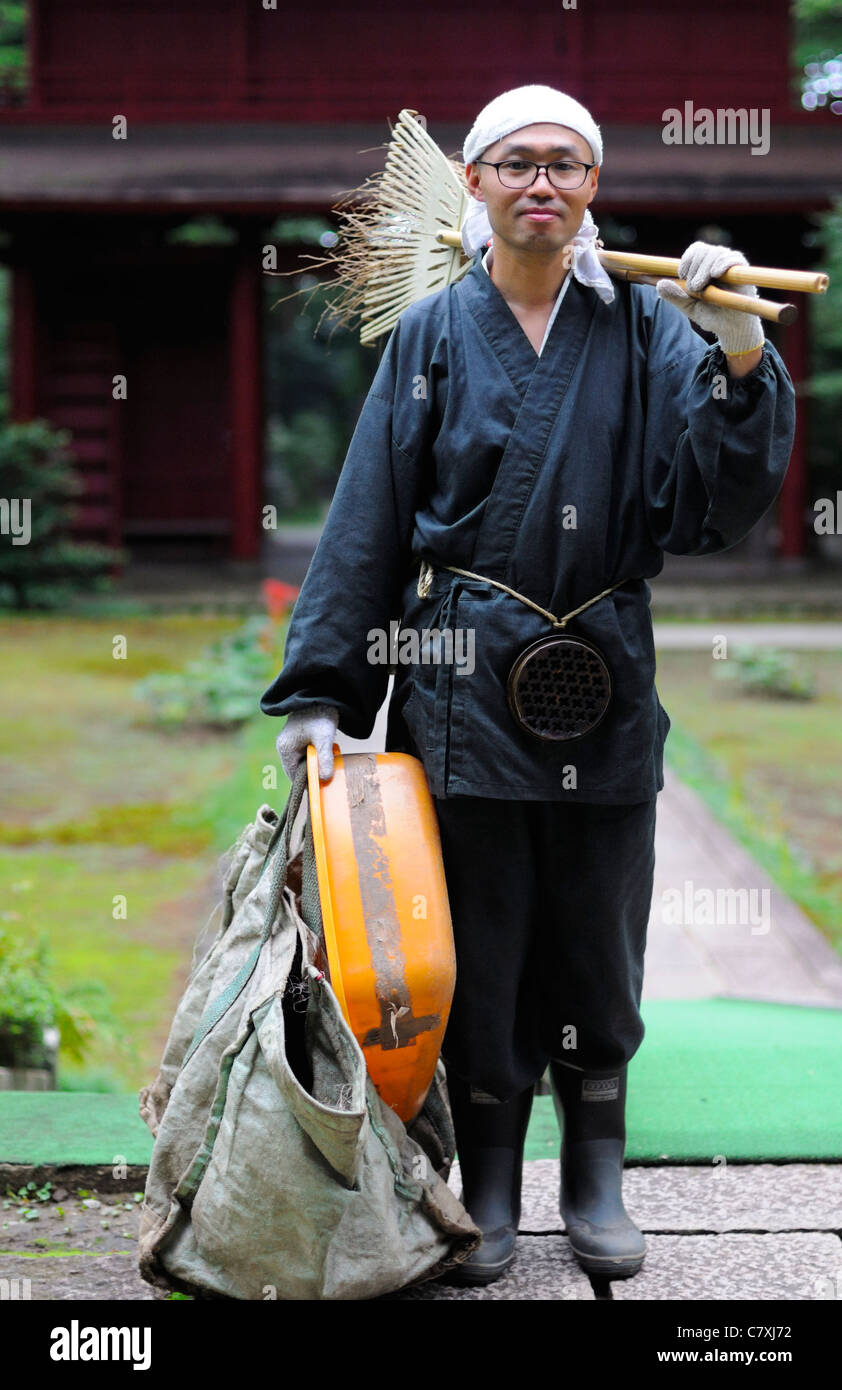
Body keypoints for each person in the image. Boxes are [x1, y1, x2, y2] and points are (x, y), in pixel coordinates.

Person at [260, 85, 796, 1287]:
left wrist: (741, 345)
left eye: (564, 163)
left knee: (597, 933)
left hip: (599, 670)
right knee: (479, 935)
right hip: (459, 678)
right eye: (516, 163)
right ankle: (488, 1182)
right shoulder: (431, 335)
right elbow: (367, 523)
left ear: (593, 187)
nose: (540, 182)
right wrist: (323, 698)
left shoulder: (654, 328)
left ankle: (594, 1174)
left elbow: (707, 512)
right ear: (475, 183)